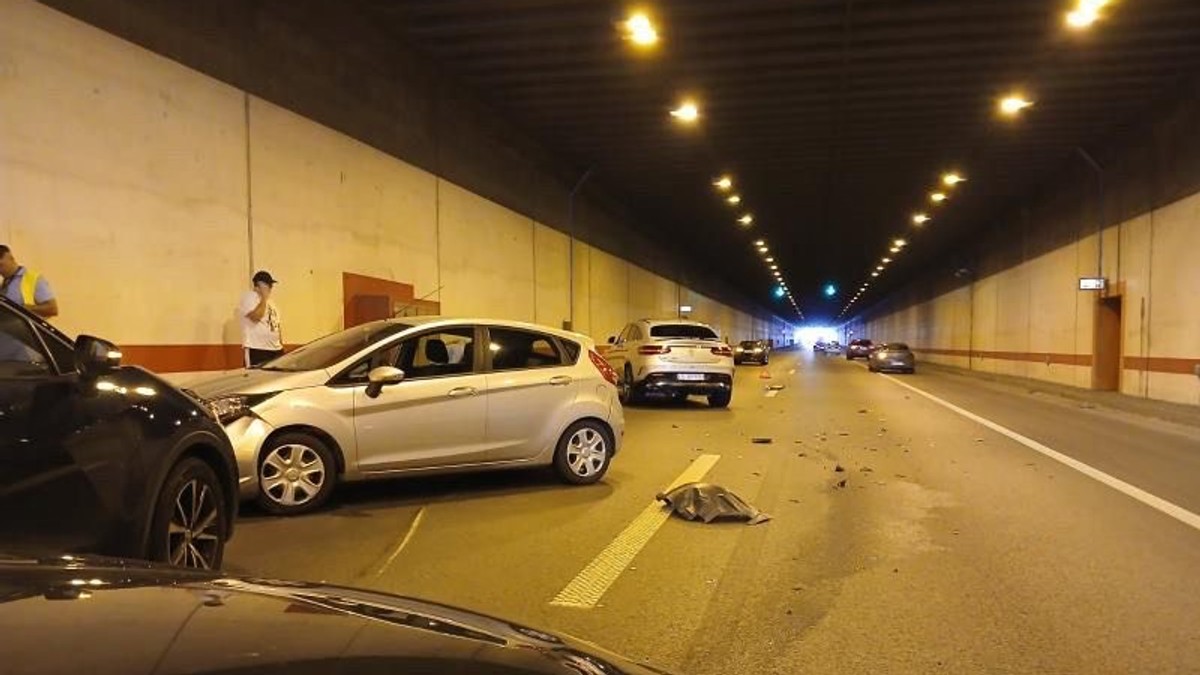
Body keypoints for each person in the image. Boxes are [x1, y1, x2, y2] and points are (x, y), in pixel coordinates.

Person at [0, 245, 58, 319]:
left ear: (11, 258)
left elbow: (52, 309)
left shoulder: (33, 279)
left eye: (1, 265)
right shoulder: (4, 284)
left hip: (28, 329)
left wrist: (25, 308)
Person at [239, 270, 283, 367]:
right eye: (269, 284)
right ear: (259, 284)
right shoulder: (249, 297)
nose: (271, 287)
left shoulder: (271, 303)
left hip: (276, 349)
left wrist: (281, 345)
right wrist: (263, 297)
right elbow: (256, 316)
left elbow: (277, 327)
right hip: (257, 348)